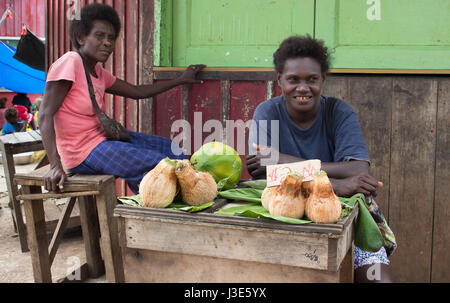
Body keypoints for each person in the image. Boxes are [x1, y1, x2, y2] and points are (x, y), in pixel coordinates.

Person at [246, 35, 394, 283]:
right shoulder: (267, 112)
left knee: (378, 279)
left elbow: (358, 168)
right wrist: (336, 184)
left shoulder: (339, 112)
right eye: (293, 79)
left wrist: (282, 160)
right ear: (280, 79)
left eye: (312, 79)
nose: (303, 88)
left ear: (323, 79)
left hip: (343, 211)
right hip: (284, 213)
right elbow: (264, 175)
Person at [39, 3, 205, 194]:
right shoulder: (70, 62)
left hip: (103, 141)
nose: (107, 43)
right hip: (81, 153)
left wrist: (180, 80)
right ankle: (149, 210)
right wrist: (54, 165)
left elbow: (137, 92)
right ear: (81, 37)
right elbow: (44, 114)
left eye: (111, 38)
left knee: (170, 149)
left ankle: (178, 198)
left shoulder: (98, 72)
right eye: (99, 36)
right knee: (157, 164)